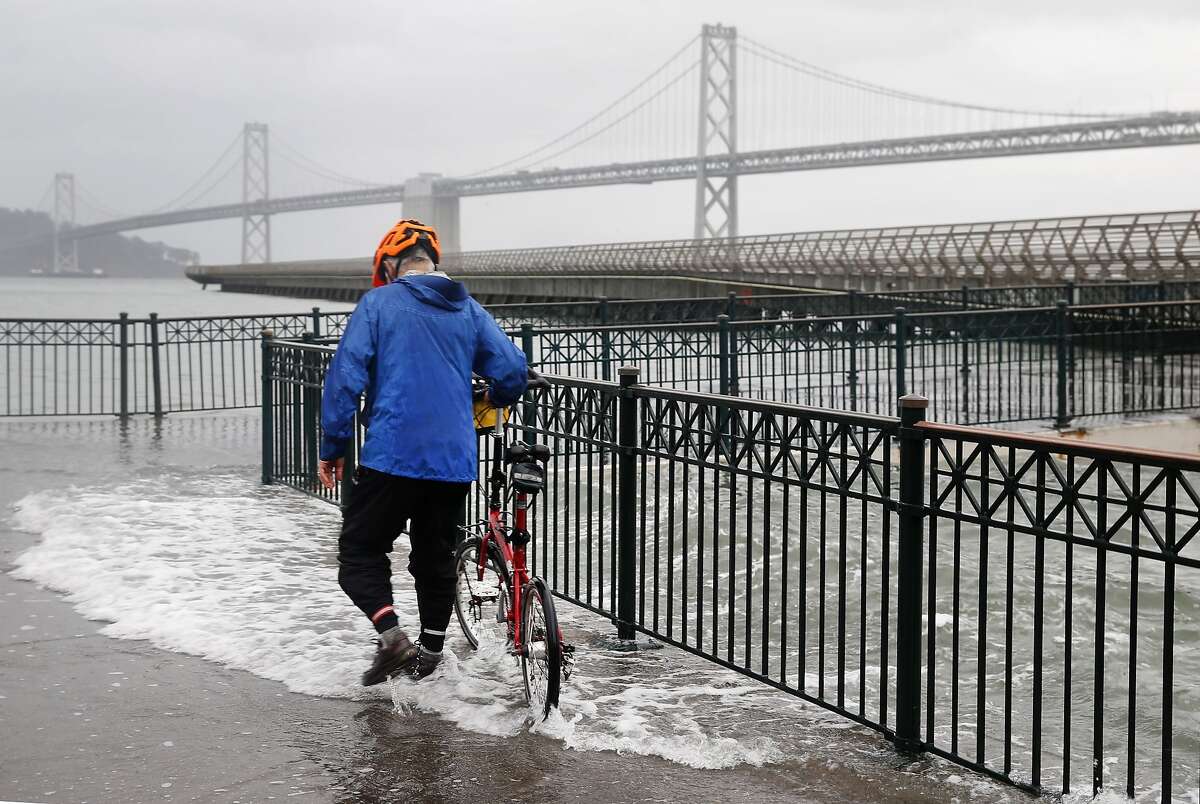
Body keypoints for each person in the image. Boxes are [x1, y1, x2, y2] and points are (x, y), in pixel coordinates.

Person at [317, 218, 528, 686]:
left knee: (359, 551)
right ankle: (430, 654)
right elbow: (512, 369)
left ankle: (392, 638)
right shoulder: (468, 309)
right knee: (435, 558)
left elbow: (344, 379)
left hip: (392, 455)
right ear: (432, 261)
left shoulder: (377, 305)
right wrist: (494, 398)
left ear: (391, 266)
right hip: (452, 462)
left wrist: (332, 446)